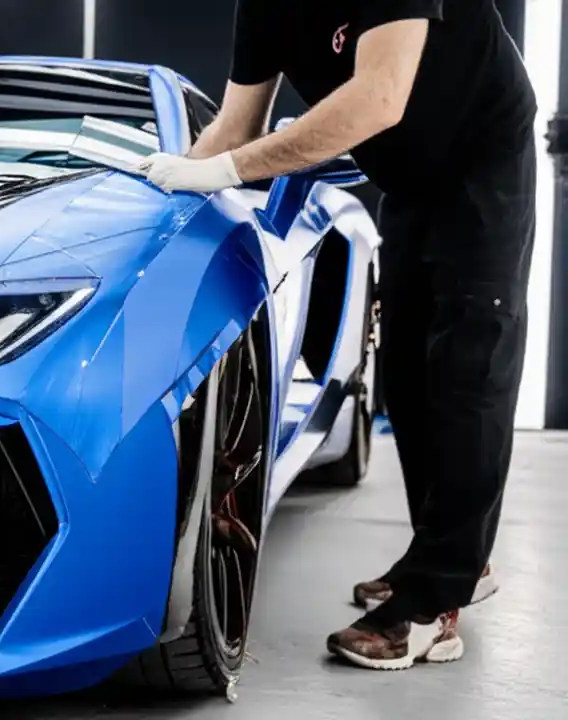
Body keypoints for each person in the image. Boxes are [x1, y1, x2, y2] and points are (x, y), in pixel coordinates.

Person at [139, 0, 537, 670]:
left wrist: (228, 171)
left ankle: (432, 602)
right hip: (411, 176)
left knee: (469, 369)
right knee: (407, 376)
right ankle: (451, 556)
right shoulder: (262, 8)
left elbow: (378, 98)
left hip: (483, 157)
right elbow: (236, 127)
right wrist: (163, 191)